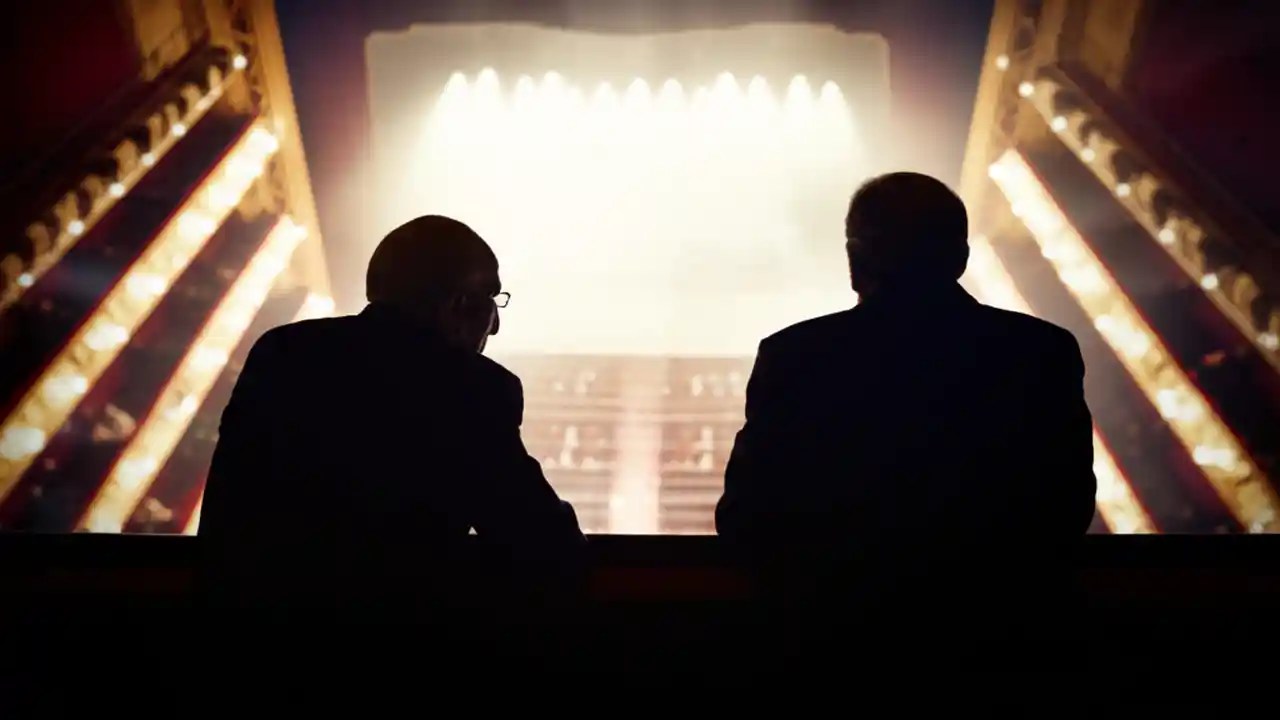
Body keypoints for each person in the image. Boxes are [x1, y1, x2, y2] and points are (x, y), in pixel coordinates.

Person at [716, 173, 1096, 627]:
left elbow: (747, 515)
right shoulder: (1041, 352)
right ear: (961, 258)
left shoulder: (795, 355)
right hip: (1001, 635)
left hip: (832, 637)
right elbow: (1066, 507)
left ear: (855, 258)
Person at [201, 215, 584, 609]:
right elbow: (541, 541)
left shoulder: (281, 352)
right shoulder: (471, 387)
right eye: (493, 300)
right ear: (460, 304)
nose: (497, 325)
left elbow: (227, 513)